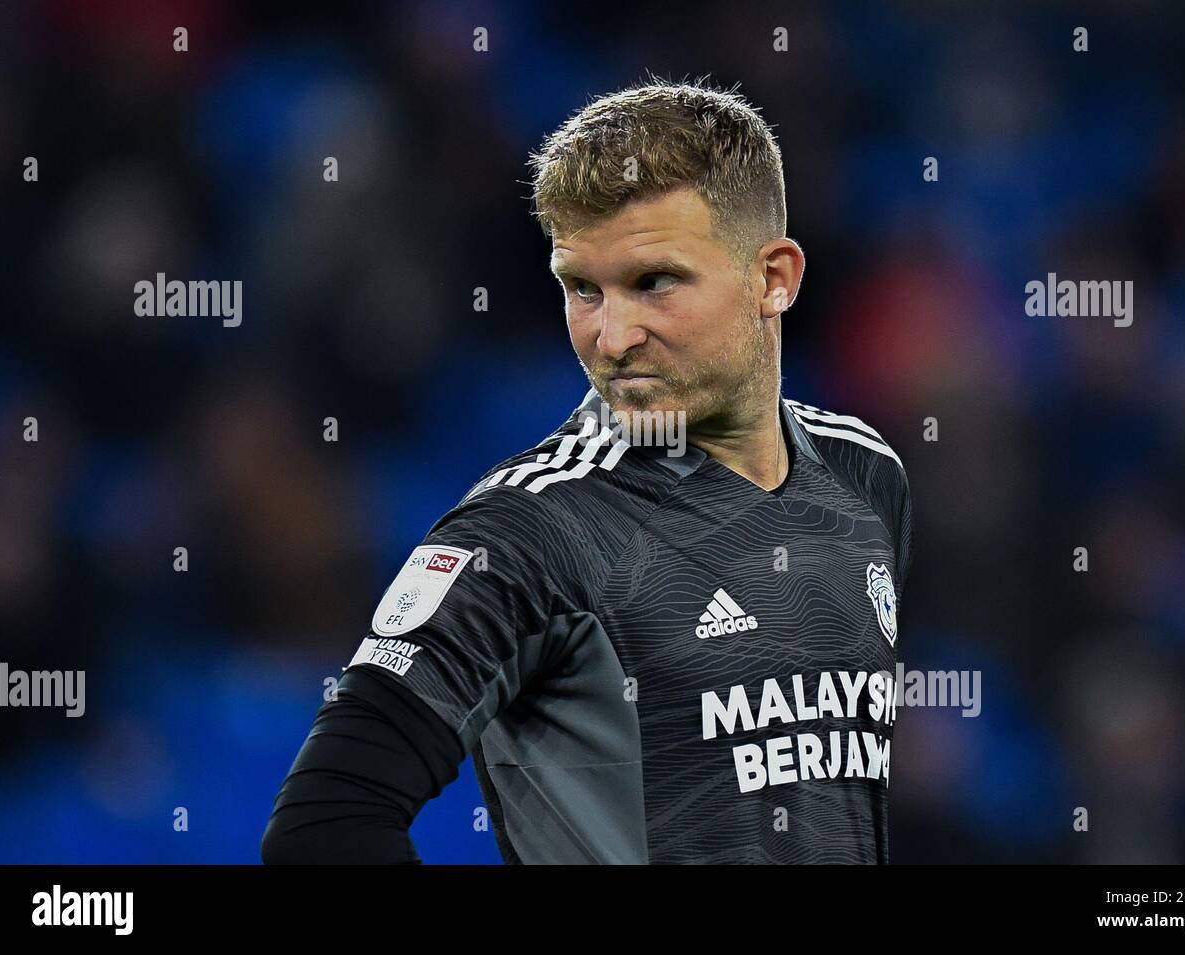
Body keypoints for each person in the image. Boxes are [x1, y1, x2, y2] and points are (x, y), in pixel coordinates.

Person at [262, 78, 914, 864]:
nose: (611, 337)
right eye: (582, 289)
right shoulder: (528, 534)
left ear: (773, 278)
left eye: (653, 283)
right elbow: (325, 823)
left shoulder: (865, 473)